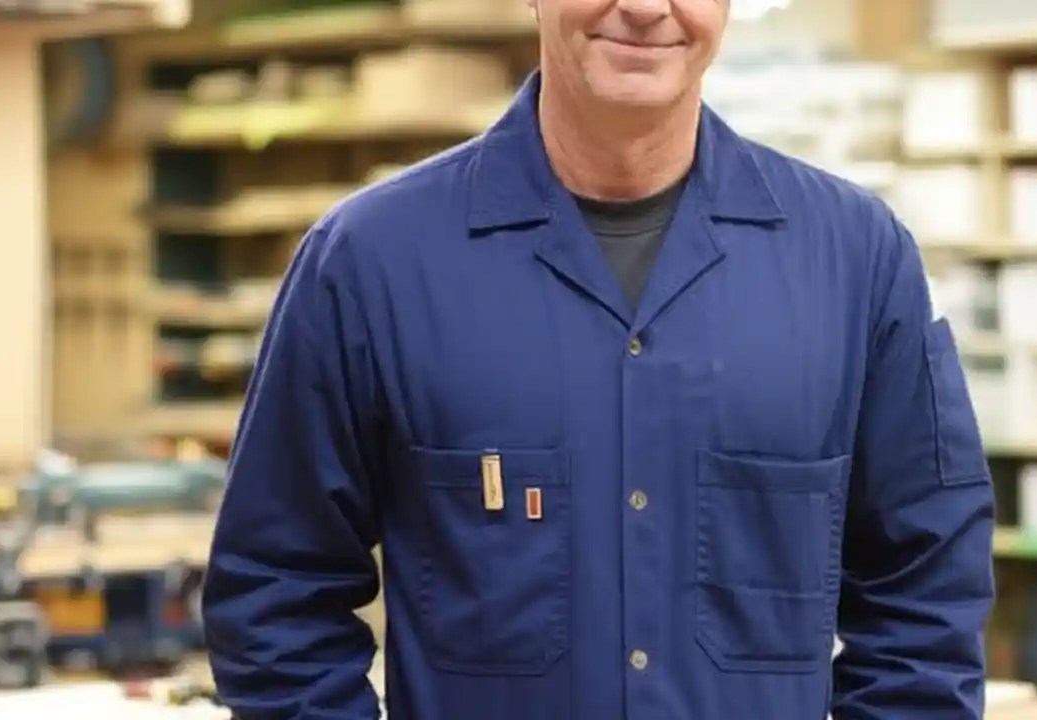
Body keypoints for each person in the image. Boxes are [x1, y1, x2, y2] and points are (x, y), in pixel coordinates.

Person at [201, 0, 996, 717]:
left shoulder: (855, 262)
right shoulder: (370, 263)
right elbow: (276, 592)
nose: (647, 8)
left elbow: (925, 593)